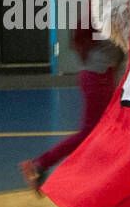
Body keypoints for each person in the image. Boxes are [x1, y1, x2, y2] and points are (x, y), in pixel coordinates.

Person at [19, 17, 124, 193]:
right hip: (98, 77)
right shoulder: (107, 16)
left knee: (107, 129)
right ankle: (39, 164)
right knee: (89, 132)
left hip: (100, 75)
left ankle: (102, 175)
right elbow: (120, 45)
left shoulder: (105, 17)